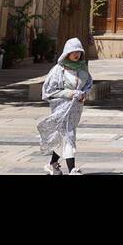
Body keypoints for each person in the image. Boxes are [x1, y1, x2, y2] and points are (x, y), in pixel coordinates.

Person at [37, 37, 93, 175]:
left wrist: (83, 94)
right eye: (73, 51)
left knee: (63, 136)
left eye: (79, 52)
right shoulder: (58, 70)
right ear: (67, 52)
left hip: (75, 109)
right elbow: (49, 91)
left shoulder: (83, 69)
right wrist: (70, 93)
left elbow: (88, 85)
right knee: (69, 136)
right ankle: (72, 169)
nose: (76, 54)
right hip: (61, 108)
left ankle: (52, 164)